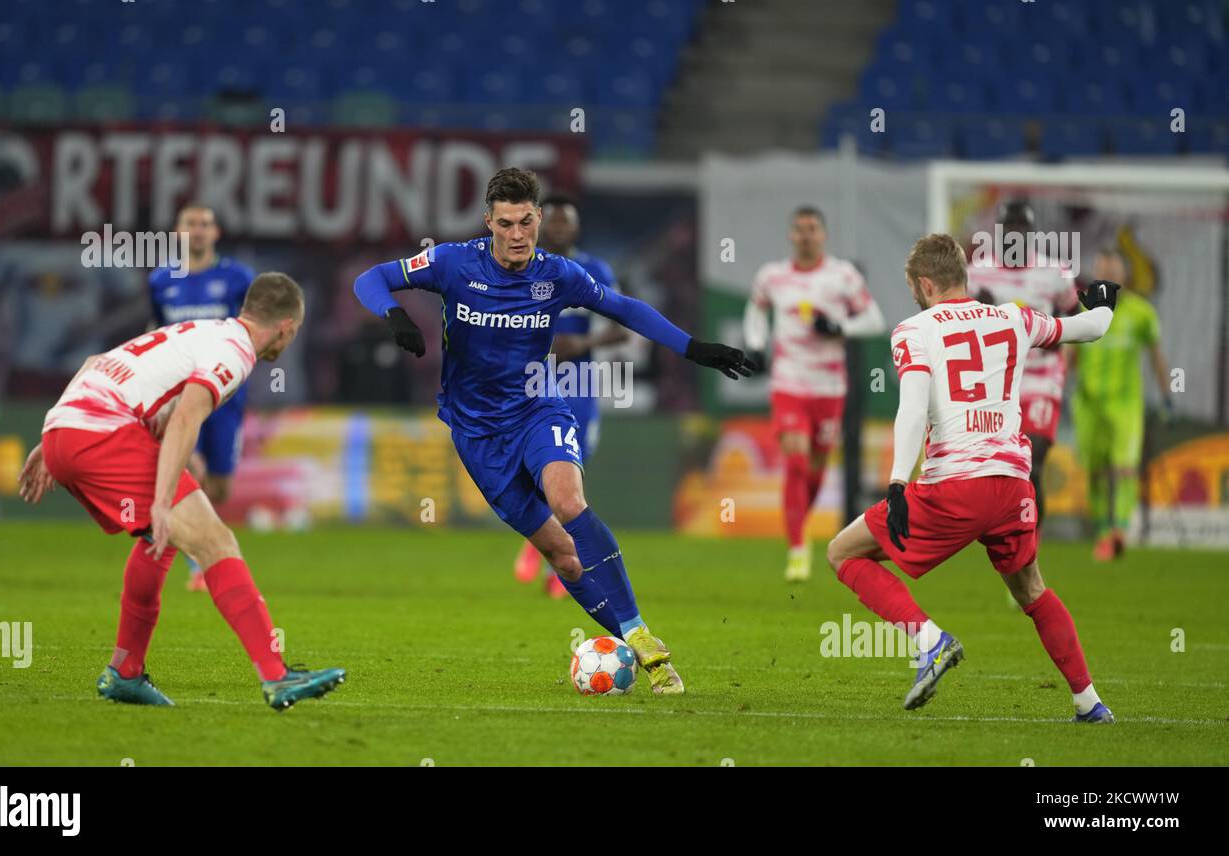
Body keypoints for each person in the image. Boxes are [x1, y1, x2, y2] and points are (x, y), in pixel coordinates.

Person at [352, 168, 755, 694]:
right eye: (505, 224)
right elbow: (372, 278)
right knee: (563, 556)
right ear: (488, 223)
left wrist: (693, 347)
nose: (517, 235)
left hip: (538, 407)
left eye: (525, 222)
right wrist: (395, 315)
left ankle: (639, 635)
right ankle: (646, 650)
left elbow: (624, 307)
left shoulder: (558, 274)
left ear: (538, 218)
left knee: (568, 501)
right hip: (476, 435)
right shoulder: (452, 262)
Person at [826, 233, 1118, 723]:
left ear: (924, 284)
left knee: (842, 552)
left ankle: (931, 642)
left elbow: (913, 406)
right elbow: (1087, 328)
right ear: (963, 275)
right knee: (1031, 589)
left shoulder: (914, 330)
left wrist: (898, 482)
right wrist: (1107, 304)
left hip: (955, 485)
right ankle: (1089, 703)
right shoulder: (1013, 316)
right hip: (1012, 484)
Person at [18, 273, 345, 710]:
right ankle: (276, 675)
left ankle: (126, 671)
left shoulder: (202, 330)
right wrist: (161, 500)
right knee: (216, 541)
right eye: (295, 332)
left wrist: (53, 436)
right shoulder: (235, 351)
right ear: (287, 327)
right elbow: (186, 418)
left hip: (67, 426)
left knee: (163, 542)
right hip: (101, 433)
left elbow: (96, 360)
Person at [743, 206, 885, 581]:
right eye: (800, 229)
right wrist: (756, 345)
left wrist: (839, 326)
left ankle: (797, 525)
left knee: (817, 469)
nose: (806, 235)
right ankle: (798, 549)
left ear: (823, 235)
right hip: (789, 381)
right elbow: (755, 311)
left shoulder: (843, 276)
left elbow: (874, 320)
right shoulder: (773, 276)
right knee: (796, 461)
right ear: (791, 235)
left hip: (830, 385)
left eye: (813, 229)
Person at [513, 193, 629, 598]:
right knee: (534, 467)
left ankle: (554, 560)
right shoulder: (522, 267)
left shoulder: (594, 269)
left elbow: (620, 327)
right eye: (555, 222)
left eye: (568, 222)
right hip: (531, 378)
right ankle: (541, 544)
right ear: (543, 224)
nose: (561, 229)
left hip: (578, 381)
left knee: (570, 471)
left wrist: (579, 345)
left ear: (576, 228)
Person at [147, 203, 256, 592]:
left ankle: (188, 542)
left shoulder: (238, 278)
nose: (197, 230)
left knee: (221, 485)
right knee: (189, 469)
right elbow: (156, 331)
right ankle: (198, 563)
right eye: (190, 223)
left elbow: (252, 328)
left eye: (205, 224)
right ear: (177, 232)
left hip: (225, 393)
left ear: (216, 232)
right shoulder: (161, 280)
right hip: (180, 392)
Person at [967, 200, 1079, 526]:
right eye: (1009, 229)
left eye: (1022, 230)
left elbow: (1075, 320)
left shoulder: (1055, 273)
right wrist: (980, 310)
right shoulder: (977, 273)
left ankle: (1029, 542)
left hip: (1042, 377)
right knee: (1004, 466)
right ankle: (1009, 533)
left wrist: (1056, 338)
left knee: (1034, 459)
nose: (1015, 235)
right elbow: (962, 327)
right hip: (1000, 382)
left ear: (1031, 235)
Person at [1070, 247, 1173, 561]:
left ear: (1125, 274)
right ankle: (1103, 533)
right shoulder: (1082, 309)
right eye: (1103, 269)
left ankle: (1120, 530)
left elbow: (1158, 357)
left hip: (1126, 404)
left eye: (1114, 269)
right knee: (1097, 472)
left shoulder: (1142, 313)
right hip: (1088, 405)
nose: (1109, 274)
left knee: (1125, 468)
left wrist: (1169, 394)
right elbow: (1069, 356)